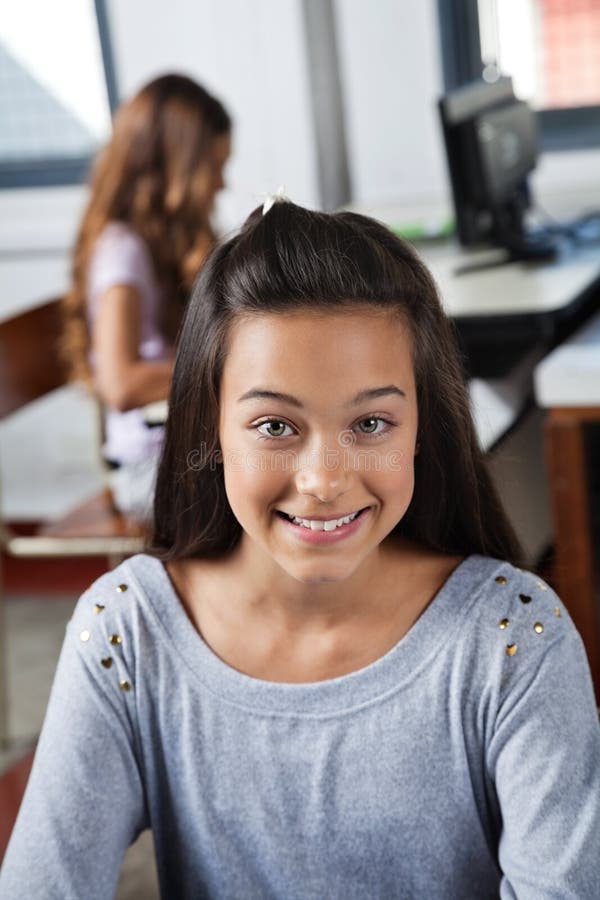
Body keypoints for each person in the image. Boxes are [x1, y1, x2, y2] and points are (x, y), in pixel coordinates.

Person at [2, 199, 599, 899]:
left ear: (422, 429)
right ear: (211, 427)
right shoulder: (127, 635)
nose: (323, 480)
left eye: (371, 422)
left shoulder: (514, 640)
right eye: (276, 426)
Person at [60, 73, 231, 520]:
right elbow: (120, 384)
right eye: (215, 166)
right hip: (148, 467)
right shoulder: (122, 252)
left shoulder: (165, 242)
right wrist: (224, 365)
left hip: (181, 446)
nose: (222, 183)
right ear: (179, 168)